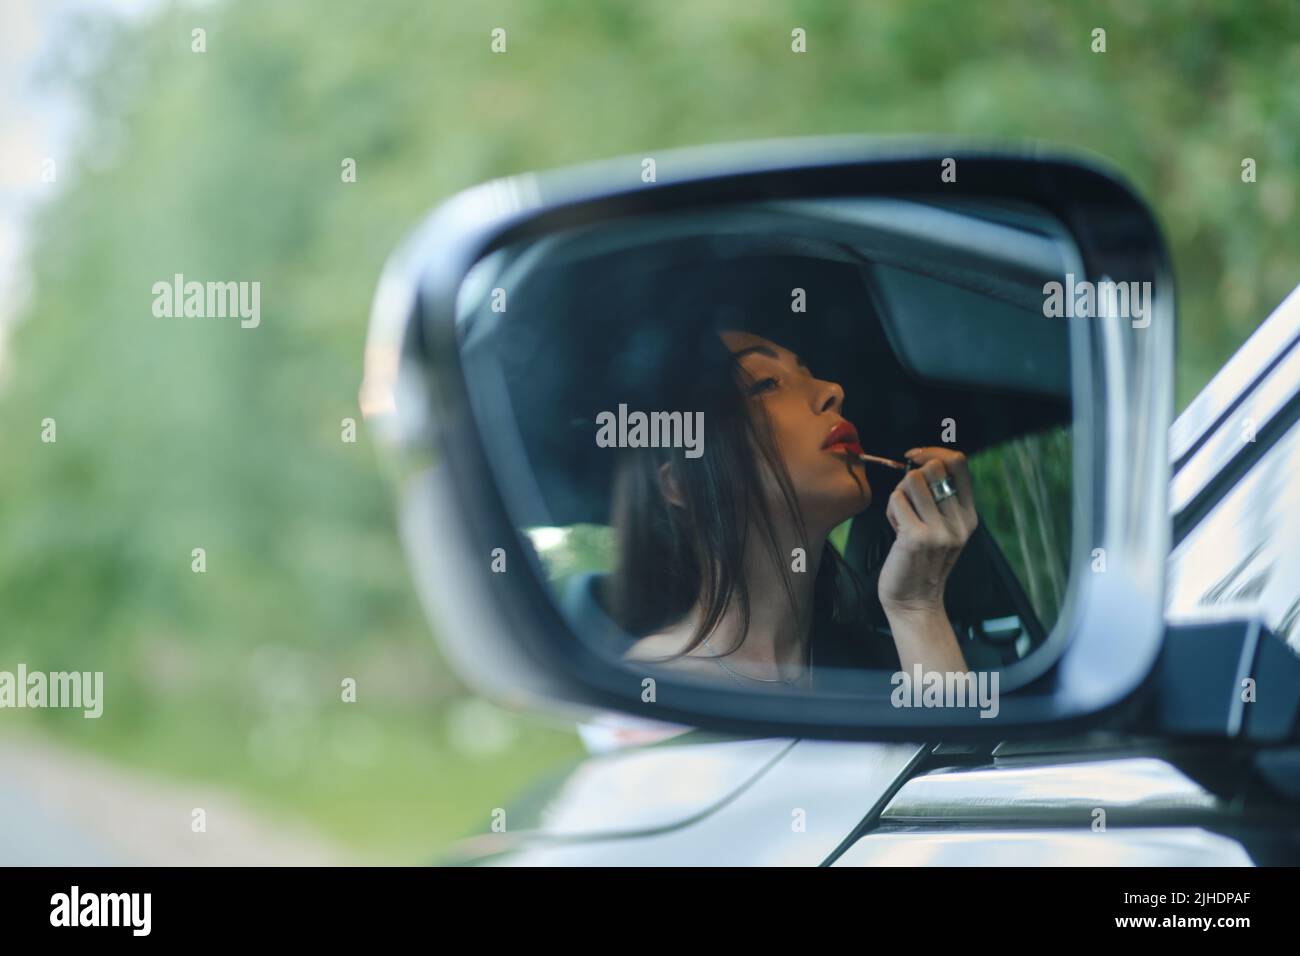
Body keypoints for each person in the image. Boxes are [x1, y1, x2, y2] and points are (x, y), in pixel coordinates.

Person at [614, 330, 977, 689]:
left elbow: (958, 747)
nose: (833, 389)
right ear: (681, 483)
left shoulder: (894, 664)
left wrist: (918, 606)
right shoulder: (650, 686)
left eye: (807, 373)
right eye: (767, 383)